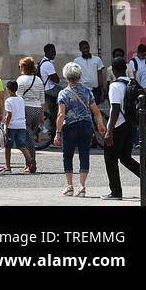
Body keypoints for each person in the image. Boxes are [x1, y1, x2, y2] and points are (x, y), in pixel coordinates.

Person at [102, 57, 146, 200]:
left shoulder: (115, 86)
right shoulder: (132, 82)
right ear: (125, 69)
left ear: (113, 71)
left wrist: (109, 131)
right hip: (132, 125)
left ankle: (116, 192)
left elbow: (115, 109)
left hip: (118, 125)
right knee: (125, 158)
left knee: (110, 157)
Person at [53, 61, 107, 197]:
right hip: (86, 125)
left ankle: (69, 185)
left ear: (66, 77)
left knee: (68, 155)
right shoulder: (87, 91)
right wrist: (101, 125)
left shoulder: (63, 93)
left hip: (70, 126)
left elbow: (61, 114)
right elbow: (96, 112)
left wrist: (57, 132)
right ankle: (82, 186)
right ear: (79, 76)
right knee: (84, 153)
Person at [13, 56, 44, 163]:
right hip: (38, 109)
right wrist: (42, 116)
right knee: (30, 136)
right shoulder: (39, 80)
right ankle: (30, 161)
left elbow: (18, 98)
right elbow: (42, 99)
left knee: (27, 138)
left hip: (26, 109)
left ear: (24, 67)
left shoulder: (20, 80)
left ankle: (30, 162)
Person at [1, 80, 33, 174]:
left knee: (8, 147)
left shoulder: (8, 101)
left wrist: (6, 127)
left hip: (12, 126)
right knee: (22, 146)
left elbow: (9, 115)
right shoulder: (21, 99)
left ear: (8, 90)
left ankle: (8, 165)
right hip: (21, 125)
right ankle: (31, 160)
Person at [71, 40, 107, 105]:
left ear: (89, 48)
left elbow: (100, 75)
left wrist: (102, 92)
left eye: (87, 48)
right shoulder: (76, 61)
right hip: (83, 90)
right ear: (80, 49)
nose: (86, 50)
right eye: (83, 48)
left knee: (93, 109)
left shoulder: (97, 59)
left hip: (95, 90)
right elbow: (75, 77)